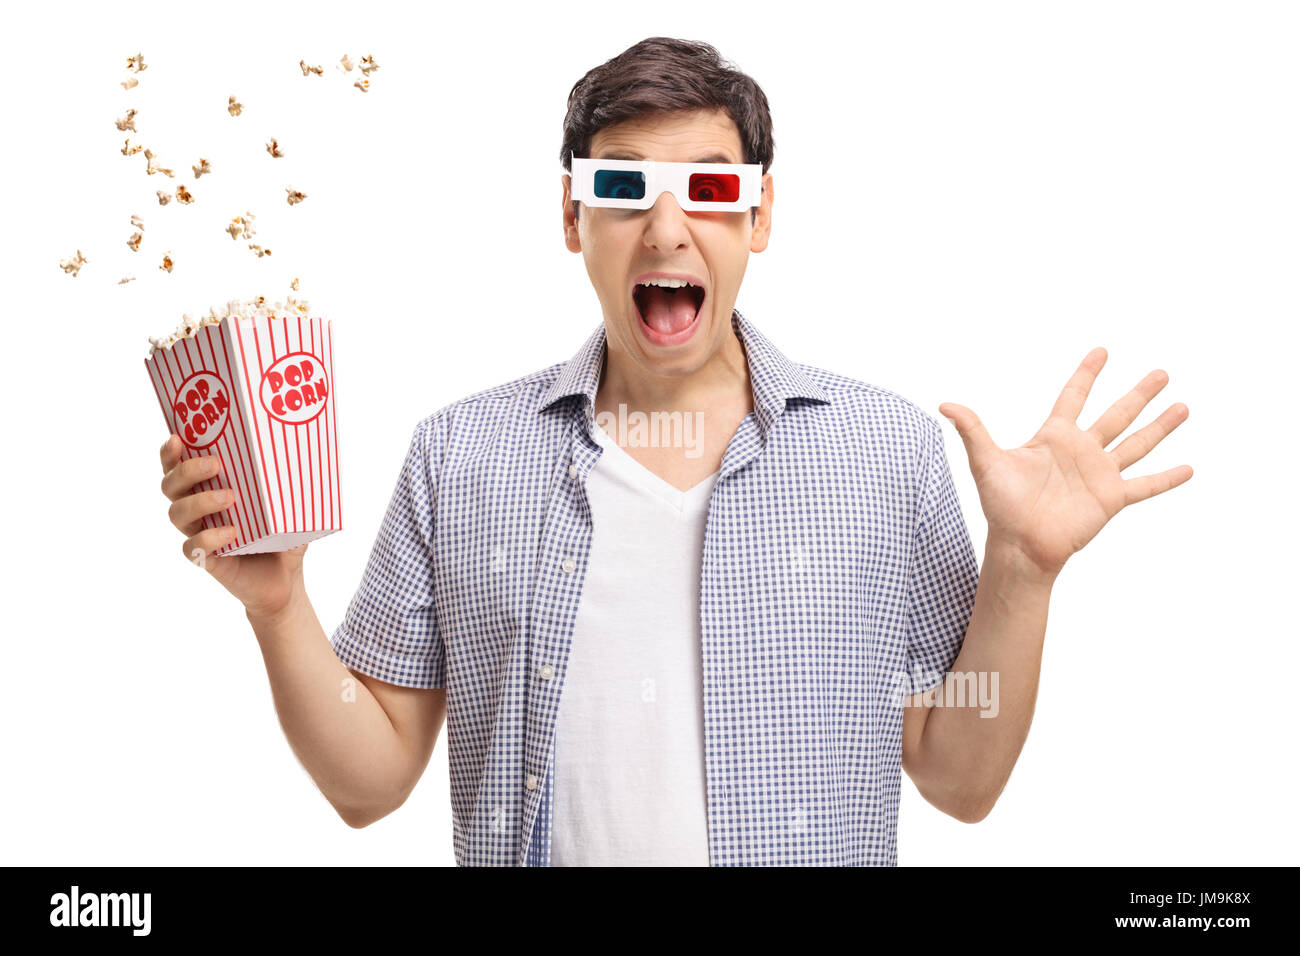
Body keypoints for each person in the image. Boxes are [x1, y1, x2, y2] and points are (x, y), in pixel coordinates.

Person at [157, 37, 1192, 866]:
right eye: (622, 189)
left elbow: (959, 777)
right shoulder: (458, 456)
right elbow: (368, 780)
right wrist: (279, 605)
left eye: (707, 189)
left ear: (760, 214)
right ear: (572, 215)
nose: (664, 229)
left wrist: (1023, 568)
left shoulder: (890, 456)